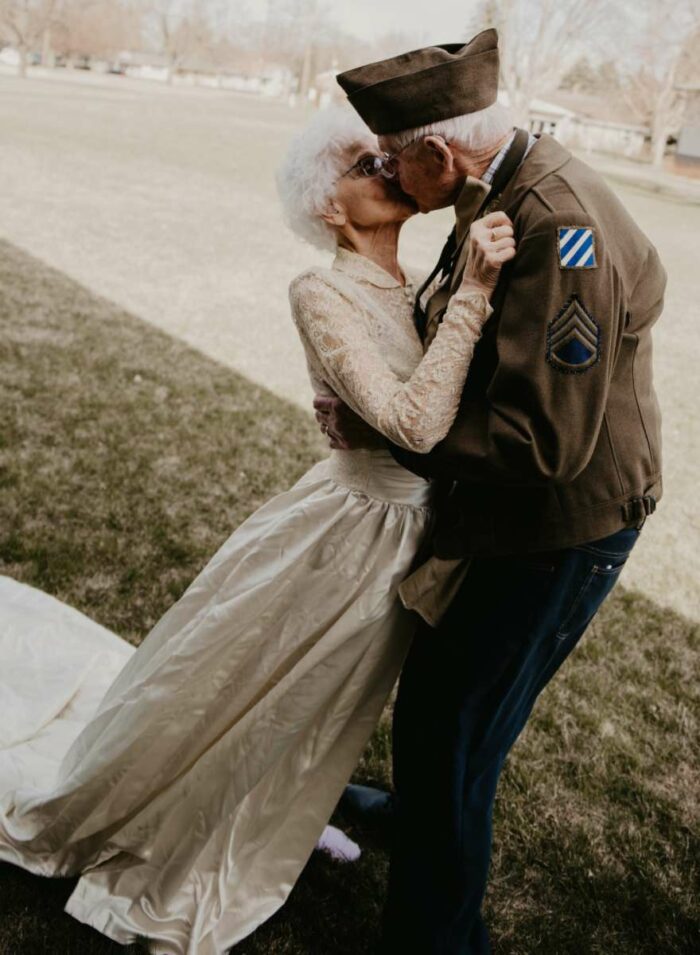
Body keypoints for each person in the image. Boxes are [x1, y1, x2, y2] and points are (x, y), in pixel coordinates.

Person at [0, 105, 516, 954]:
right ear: (330, 208)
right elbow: (416, 424)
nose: (386, 166)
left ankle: (278, 812)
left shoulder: (411, 279)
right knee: (267, 690)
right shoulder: (321, 288)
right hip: (352, 536)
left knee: (317, 707)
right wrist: (474, 297)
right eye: (362, 166)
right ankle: (191, 819)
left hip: (398, 527)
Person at [318, 27, 667, 955]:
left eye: (396, 162)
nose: (389, 178)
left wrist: (397, 436)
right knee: (447, 714)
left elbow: (541, 439)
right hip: (509, 505)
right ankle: (421, 813)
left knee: (454, 729)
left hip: (559, 524)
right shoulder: (499, 184)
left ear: (439, 151)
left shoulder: (557, 224)